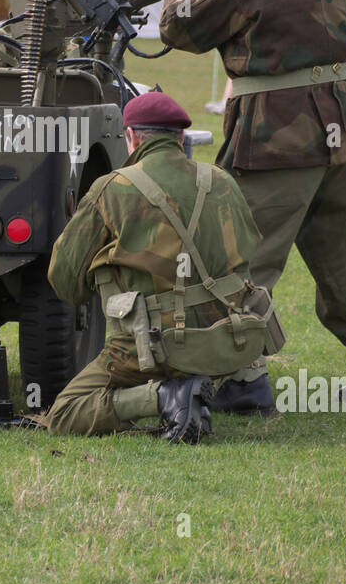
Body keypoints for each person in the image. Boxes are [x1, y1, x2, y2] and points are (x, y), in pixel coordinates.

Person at [159, 0, 346, 410]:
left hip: (277, 133)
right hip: (341, 123)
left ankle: (246, 382)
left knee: (242, 256)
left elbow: (179, 28)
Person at [45, 92, 280, 443]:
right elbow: (248, 253)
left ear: (132, 137)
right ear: (180, 138)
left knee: (63, 414)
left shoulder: (111, 188)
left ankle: (164, 396)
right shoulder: (223, 180)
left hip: (151, 350)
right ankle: (246, 380)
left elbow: (64, 283)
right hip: (226, 340)